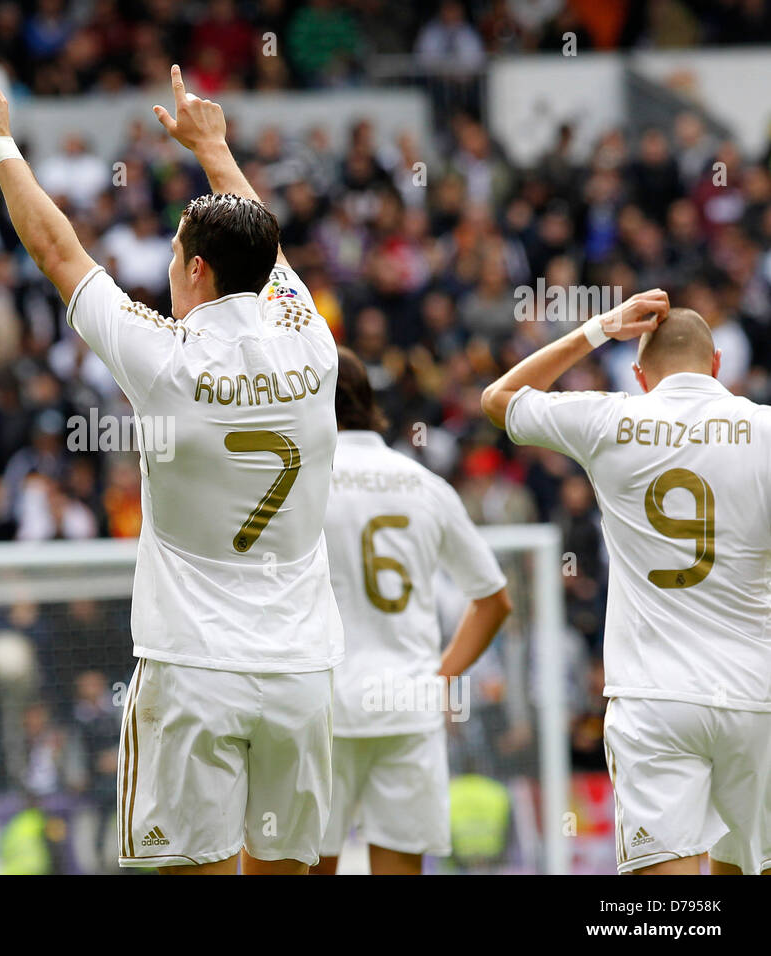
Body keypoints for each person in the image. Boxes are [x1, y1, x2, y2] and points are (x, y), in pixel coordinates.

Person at [0, 62, 343, 874]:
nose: (170, 266)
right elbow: (265, 251)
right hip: (302, 670)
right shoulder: (313, 339)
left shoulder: (165, 358)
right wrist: (214, 147)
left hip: (194, 669)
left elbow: (56, 250)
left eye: (176, 253)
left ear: (196, 269)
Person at [481, 291, 771, 875]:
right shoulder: (765, 429)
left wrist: (598, 329)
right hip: (755, 692)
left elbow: (499, 398)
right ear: (717, 364)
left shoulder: (610, 420)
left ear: (640, 376)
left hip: (653, 696)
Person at [311, 347, 511, 875]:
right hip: (408, 704)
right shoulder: (425, 484)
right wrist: (440, 678)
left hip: (320, 707)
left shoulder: (300, 483)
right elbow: (494, 601)